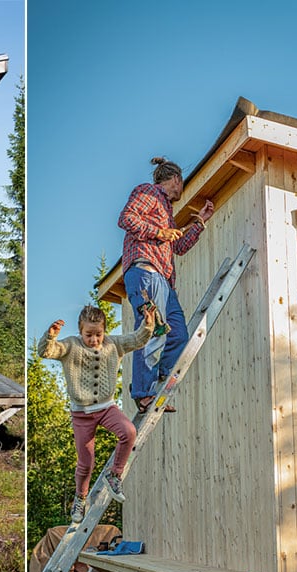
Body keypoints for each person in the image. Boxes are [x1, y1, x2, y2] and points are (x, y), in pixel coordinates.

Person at [39, 305, 156, 524]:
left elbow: (138, 339)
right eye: (89, 335)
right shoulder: (71, 346)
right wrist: (50, 336)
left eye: (98, 334)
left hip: (106, 408)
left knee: (129, 432)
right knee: (86, 463)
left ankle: (115, 474)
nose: (94, 340)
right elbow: (46, 352)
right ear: (80, 331)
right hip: (81, 415)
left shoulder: (114, 344)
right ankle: (80, 499)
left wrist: (148, 323)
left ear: (104, 331)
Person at [118, 156, 214, 414]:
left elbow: (179, 247)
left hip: (164, 280)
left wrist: (199, 222)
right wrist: (159, 233)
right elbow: (126, 218)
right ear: (176, 180)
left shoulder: (167, 212)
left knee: (179, 335)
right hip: (146, 270)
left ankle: (157, 382)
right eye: (182, 185)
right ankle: (143, 392)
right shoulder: (148, 191)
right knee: (154, 330)